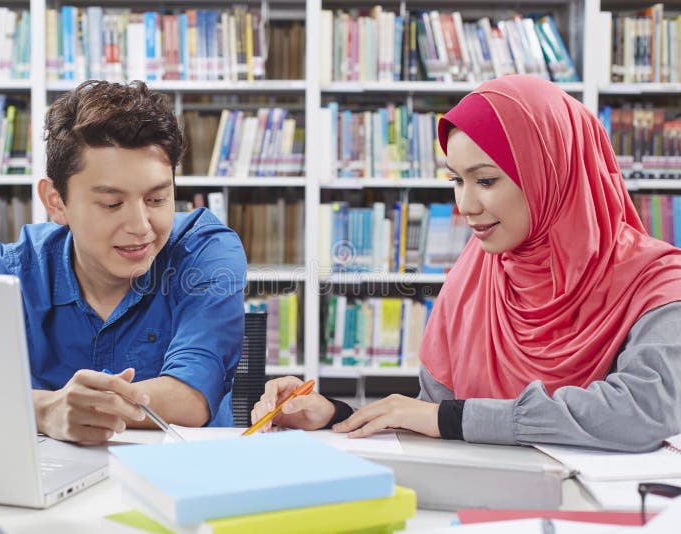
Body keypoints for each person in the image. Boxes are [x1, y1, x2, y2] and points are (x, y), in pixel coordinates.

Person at [252, 74, 681, 452]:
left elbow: (643, 411)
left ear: (550, 171)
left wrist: (453, 419)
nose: (466, 205)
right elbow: (432, 415)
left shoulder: (657, 282)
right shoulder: (477, 274)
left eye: (486, 180)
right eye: (457, 180)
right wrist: (333, 415)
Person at [0, 80, 247, 445]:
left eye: (156, 200)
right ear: (56, 201)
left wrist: (41, 406)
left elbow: (189, 398)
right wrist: (46, 410)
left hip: (183, 480)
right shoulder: (10, 271)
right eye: (111, 204)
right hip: (55, 488)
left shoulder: (206, 251)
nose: (140, 227)